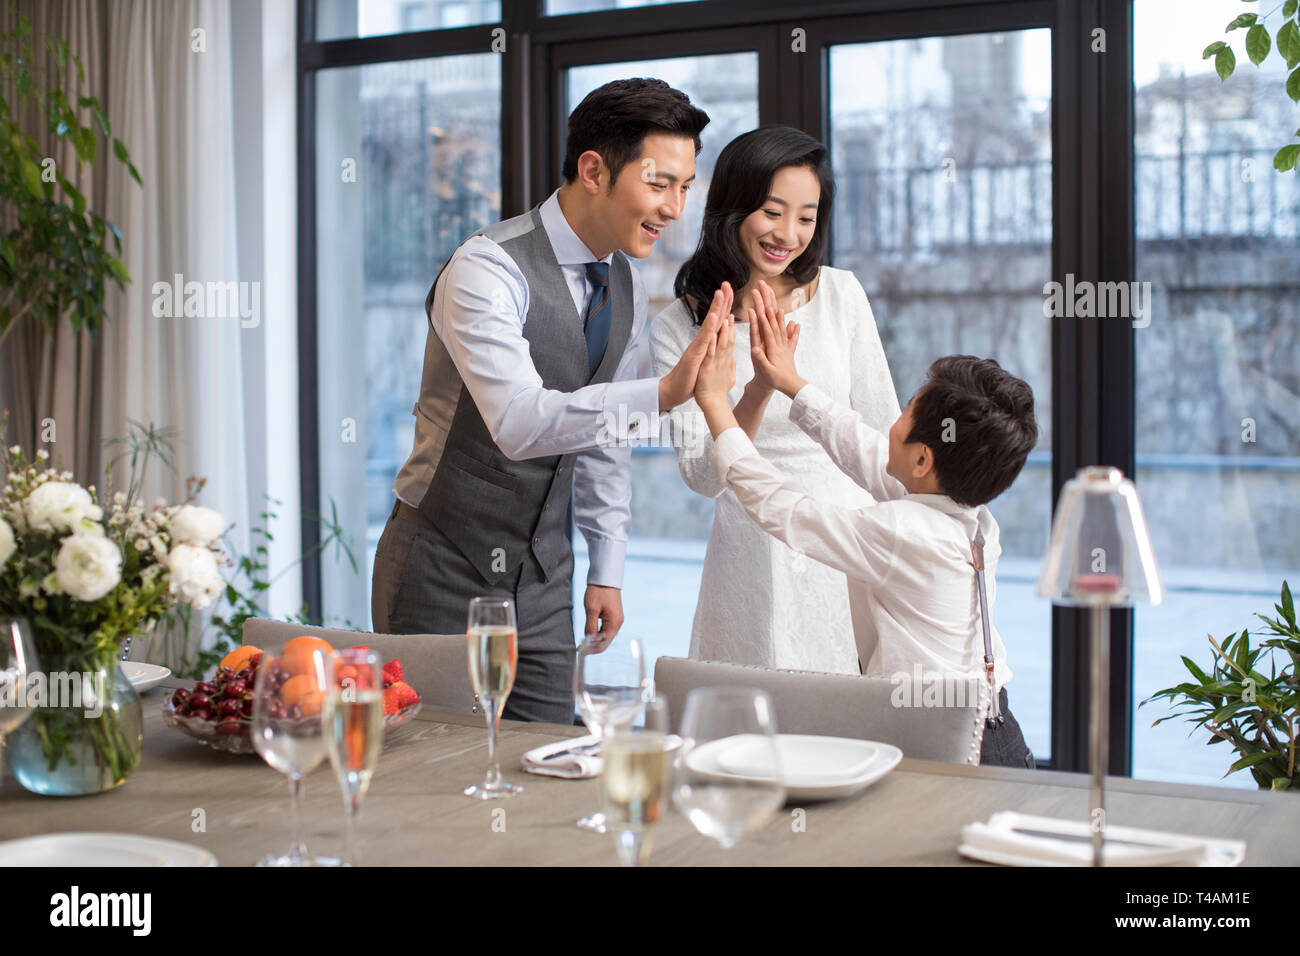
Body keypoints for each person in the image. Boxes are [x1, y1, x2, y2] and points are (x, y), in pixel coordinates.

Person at [372, 78, 735, 723]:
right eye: (660, 183)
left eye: (685, 185)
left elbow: (603, 439)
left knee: (549, 775)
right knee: (431, 784)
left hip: (544, 584)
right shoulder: (486, 269)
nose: (676, 207)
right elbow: (517, 420)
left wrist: (607, 566)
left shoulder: (625, 280)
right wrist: (665, 392)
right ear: (594, 170)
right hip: (439, 568)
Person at [692, 286, 1038, 767]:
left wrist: (714, 405)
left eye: (905, 413)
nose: (891, 423)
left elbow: (787, 509)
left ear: (922, 459)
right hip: (998, 727)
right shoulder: (973, 519)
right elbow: (871, 453)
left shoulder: (903, 532)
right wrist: (792, 383)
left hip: (940, 741)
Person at [650, 126, 899, 674]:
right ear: (732, 209)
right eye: (771, 211)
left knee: (847, 726)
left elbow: (885, 438)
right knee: (747, 734)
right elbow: (704, 476)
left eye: (806, 217)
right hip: (751, 553)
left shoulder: (841, 295)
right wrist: (760, 387)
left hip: (845, 543)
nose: (788, 233)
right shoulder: (680, 326)